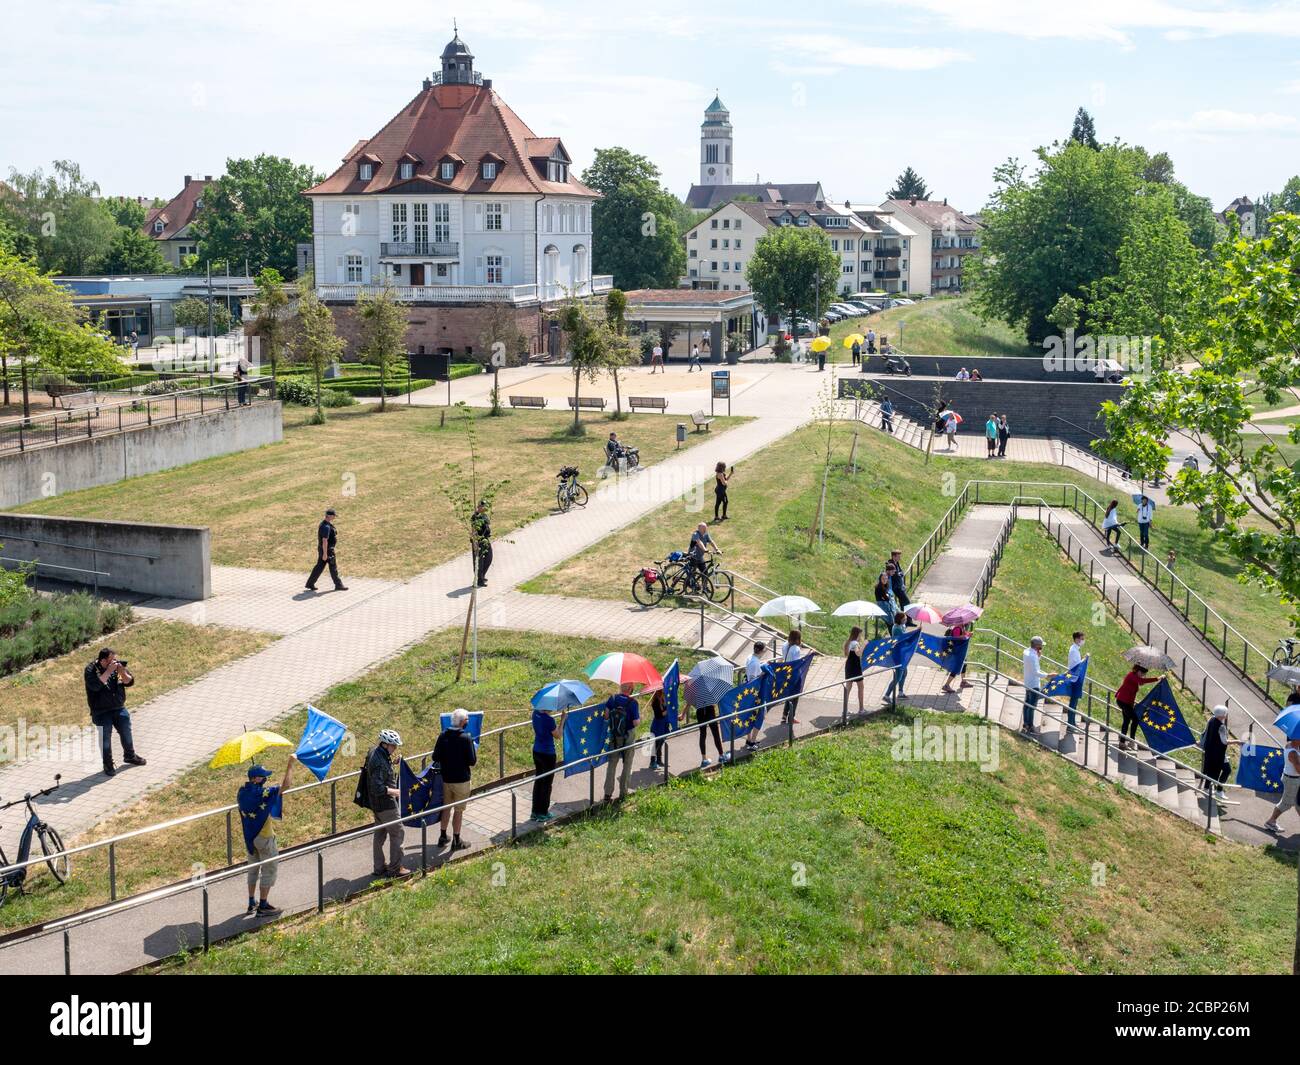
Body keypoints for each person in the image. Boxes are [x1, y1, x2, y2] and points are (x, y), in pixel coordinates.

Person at [238, 755, 295, 917]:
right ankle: (263, 905)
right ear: (256, 778)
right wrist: (290, 763)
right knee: (269, 870)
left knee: (253, 869)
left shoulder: (242, 792)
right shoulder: (263, 794)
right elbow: (286, 785)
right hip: (265, 838)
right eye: (264, 777)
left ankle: (251, 902)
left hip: (249, 838)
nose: (266, 779)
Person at [84, 648, 146, 777]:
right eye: (111, 660)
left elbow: (129, 682)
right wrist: (109, 671)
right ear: (103, 660)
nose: (115, 662)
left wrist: (122, 671)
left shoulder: (116, 668)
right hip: (100, 711)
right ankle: (108, 764)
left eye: (115, 659)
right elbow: (95, 686)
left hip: (118, 707)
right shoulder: (91, 670)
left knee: (126, 731)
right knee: (105, 738)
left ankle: (130, 756)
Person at [434, 709, 477, 850]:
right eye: (467, 720)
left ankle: (443, 836)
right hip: (462, 780)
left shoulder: (443, 736)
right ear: (462, 722)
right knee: (458, 811)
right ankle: (457, 840)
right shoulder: (466, 738)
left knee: (446, 808)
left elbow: (435, 757)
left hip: (446, 779)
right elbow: (472, 761)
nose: (468, 722)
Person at [366, 729, 404, 876]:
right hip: (386, 805)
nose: (395, 748)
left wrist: (393, 763)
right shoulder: (379, 761)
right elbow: (378, 787)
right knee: (398, 833)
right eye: (393, 746)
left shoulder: (375, 752)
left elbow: (380, 772)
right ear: (385, 744)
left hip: (376, 805)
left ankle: (379, 867)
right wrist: (395, 792)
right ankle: (396, 868)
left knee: (380, 835)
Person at [602, 683, 640, 800]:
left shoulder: (612, 699)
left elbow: (606, 716)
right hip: (628, 736)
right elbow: (635, 723)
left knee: (612, 765)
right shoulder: (633, 703)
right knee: (627, 764)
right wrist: (639, 718)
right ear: (630, 689)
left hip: (614, 736)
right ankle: (623, 793)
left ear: (621, 687)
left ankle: (607, 793)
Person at [531, 704, 565, 822]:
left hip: (537, 751)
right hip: (548, 754)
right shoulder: (549, 720)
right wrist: (563, 720)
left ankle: (535, 811)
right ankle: (543, 812)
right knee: (547, 784)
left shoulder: (535, 714)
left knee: (539, 781)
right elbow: (558, 735)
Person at [1116, 664, 1162, 750]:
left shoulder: (1134, 677)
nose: (1143, 675)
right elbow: (1141, 680)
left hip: (1127, 703)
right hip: (1123, 702)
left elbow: (1140, 682)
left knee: (1126, 721)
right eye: (1143, 673)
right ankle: (1131, 741)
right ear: (1138, 671)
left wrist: (1141, 682)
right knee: (1135, 719)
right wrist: (1158, 678)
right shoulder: (1131, 675)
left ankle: (1122, 742)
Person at [1263, 736, 1300, 834]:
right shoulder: (1292, 752)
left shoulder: (1294, 746)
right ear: (1296, 738)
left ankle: (1271, 821)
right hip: (1292, 781)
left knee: (1298, 803)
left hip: (1294, 779)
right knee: (1286, 803)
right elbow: (1298, 769)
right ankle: (1271, 821)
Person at [1199, 705, 1240, 793]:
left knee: (1211, 770)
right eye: (1225, 714)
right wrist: (1238, 741)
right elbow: (1224, 742)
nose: (1226, 715)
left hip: (1209, 751)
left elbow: (1205, 733)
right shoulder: (1222, 726)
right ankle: (1219, 790)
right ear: (1222, 715)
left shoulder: (1211, 719)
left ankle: (1206, 788)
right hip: (1218, 754)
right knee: (1227, 770)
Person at [306, 507, 347, 592]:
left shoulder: (324, 524)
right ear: (329, 516)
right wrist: (325, 554)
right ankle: (338, 585)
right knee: (333, 568)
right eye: (333, 516)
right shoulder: (326, 527)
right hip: (327, 551)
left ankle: (310, 583)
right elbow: (324, 540)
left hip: (323, 550)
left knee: (319, 567)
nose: (334, 517)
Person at [780, 630, 812, 725]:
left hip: (786, 673)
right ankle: (791, 717)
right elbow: (797, 663)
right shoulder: (796, 649)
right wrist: (808, 655)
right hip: (794, 674)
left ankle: (784, 716)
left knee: (789, 695)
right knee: (795, 696)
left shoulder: (785, 645)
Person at [743, 641, 768, 751]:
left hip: (749, 690)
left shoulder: (750, 657)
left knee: (749, 715)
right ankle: (752, 742)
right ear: (762, 651)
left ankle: (749, 739)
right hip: (755, 694)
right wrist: (763, 673)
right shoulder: (755, 663)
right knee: (758, 716)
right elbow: (755, 679)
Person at [883, 612, 910, 704]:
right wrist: (917, 631)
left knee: (904, 673)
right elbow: (905, 638)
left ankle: (900, 692)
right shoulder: (897, 628)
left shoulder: (900, 626)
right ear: (900, 620)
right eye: (904, 619)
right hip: (898, 654)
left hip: (901, 653)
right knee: (898, 677)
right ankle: (887, 695)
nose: (906, 620)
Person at [939, 622, 972, 694]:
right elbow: (956, 638)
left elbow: (962, 635)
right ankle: (947, 685)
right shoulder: (957, 628)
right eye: (968, 620)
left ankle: (963, 681)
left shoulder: (961, 627)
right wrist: (965, 636)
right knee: (956, 668)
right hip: (957, 651)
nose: (969, 622)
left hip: (960, 651)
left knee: (964, 665)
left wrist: (967, 634)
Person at [1021, 637, 1045, 733]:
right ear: (1037, 646)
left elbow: (1032, 665)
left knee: (1027, 703)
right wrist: (1048, 675)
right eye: (1040, 647)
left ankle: (1026, 723)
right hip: (1034, 683)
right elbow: (1036, 672)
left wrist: (1038, 656)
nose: (1041, 649)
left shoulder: (1026, 652)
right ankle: (1030, 726)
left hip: (1027, 681)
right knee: (1032, 706)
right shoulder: (1032, 656)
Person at [686, 521, 720, 590]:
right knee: (692, 573)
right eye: (704, 529)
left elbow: (711, 541)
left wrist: (717, 549)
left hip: (700, 557)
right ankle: (690, 585)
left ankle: (705, 588)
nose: (705, 530)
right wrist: (705, 549)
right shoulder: (695, 534)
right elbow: (699, 542)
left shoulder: (706, 534)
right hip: (693, 556)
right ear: (699, 528)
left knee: (704, 572)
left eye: (706, 528)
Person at [1064, 631, 1086, 730]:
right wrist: (1084, 660)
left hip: (1076, 678)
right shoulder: (1073, 650)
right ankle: (1070, 723)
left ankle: (1072, 722)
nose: (1083, 641)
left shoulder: (1076, 649)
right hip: (1074, 679)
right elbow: (1077, 666)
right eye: (1082, 639)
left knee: (1075, 702)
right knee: (1073, 702)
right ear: (1077, 639)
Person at [471, 500, 493, 587]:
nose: (485, 508)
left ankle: (482, 575)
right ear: (479, 507)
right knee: (478, 561)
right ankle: (478, 580)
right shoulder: (475, 517)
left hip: (485, 539)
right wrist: (475, 543)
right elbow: (473, 530)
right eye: (483, 506)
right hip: (478, 540)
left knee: (489, 557)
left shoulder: (484, 515)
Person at [844, 626, 865, 714]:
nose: (861, 636)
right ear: (857, 634)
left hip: (849, 666)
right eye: (860, 634)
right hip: (855, 668)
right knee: (861, 687)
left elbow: (847, 655)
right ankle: (861, 709)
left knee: (848, 688)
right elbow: (858, 653)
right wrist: (864, 645)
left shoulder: (848, 642)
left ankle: (844, 710)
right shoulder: (855, 643)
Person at [648, 688, 670, 770]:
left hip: (663, 724)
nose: (665, 689)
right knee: (657, 743)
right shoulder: (655, 702)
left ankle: (659, 760)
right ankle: (652, 762)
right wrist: (669, 709)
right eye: (663, 689)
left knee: (661, 742)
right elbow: (660, 715)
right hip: (658, 725)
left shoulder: (663, 698)